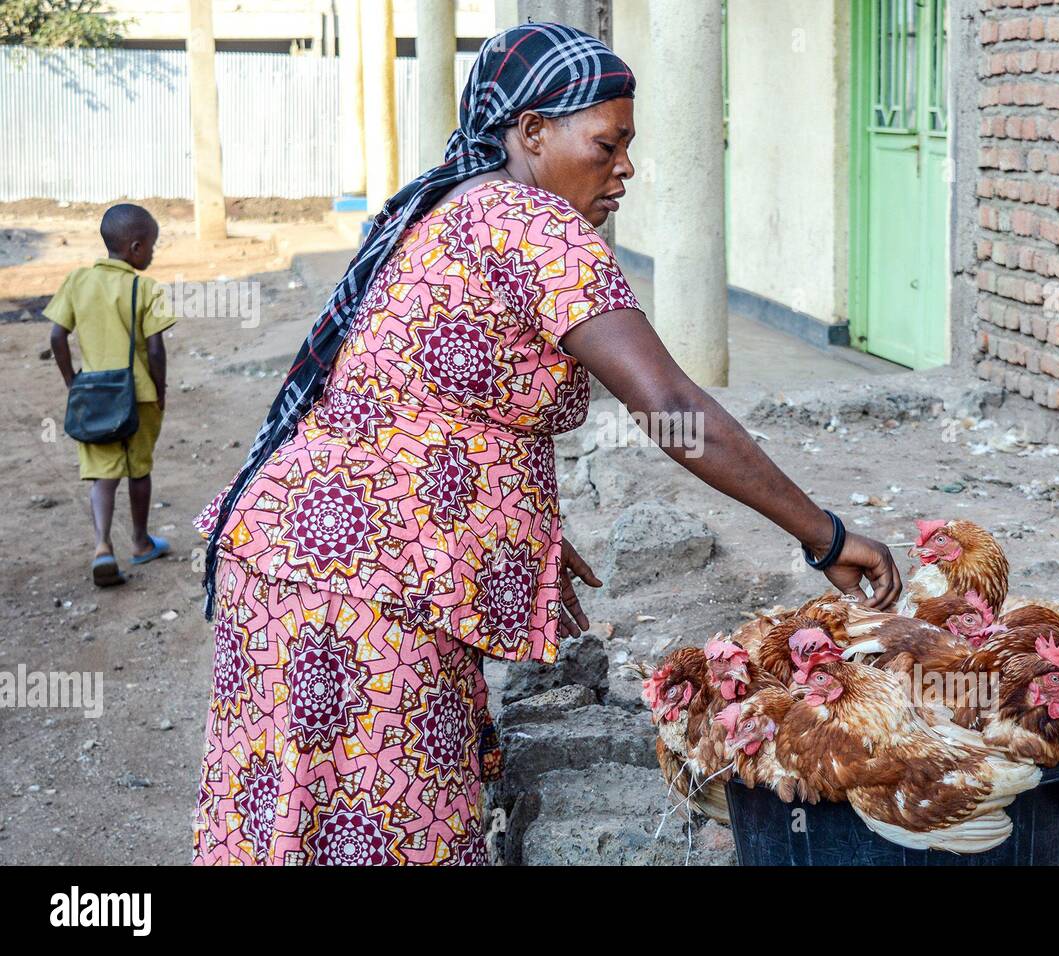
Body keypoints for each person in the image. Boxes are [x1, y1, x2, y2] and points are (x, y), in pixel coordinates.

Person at [191, 22, 901, 866]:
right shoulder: (540, 228)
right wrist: (823, 535)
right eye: (608, 143)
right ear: (532, 131)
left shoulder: (451, 209)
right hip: (362, 598)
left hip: (290, 563)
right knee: (384, 833)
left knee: (286, 829)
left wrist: (520, 534)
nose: (625, 168)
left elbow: (419, 398)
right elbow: (670, 406)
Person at [47, 203, 174, 587]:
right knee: (139, 470)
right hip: (139, 396)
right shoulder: (146, 287)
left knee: (103, 476)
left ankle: (102, 545)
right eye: (152, 245)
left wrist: (73, 383)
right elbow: (155, 349)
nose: (152, 253)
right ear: (136, 247)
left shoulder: (77, 281)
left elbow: (57, 337)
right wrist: (160, 389)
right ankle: (139, 542)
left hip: (94, 397)